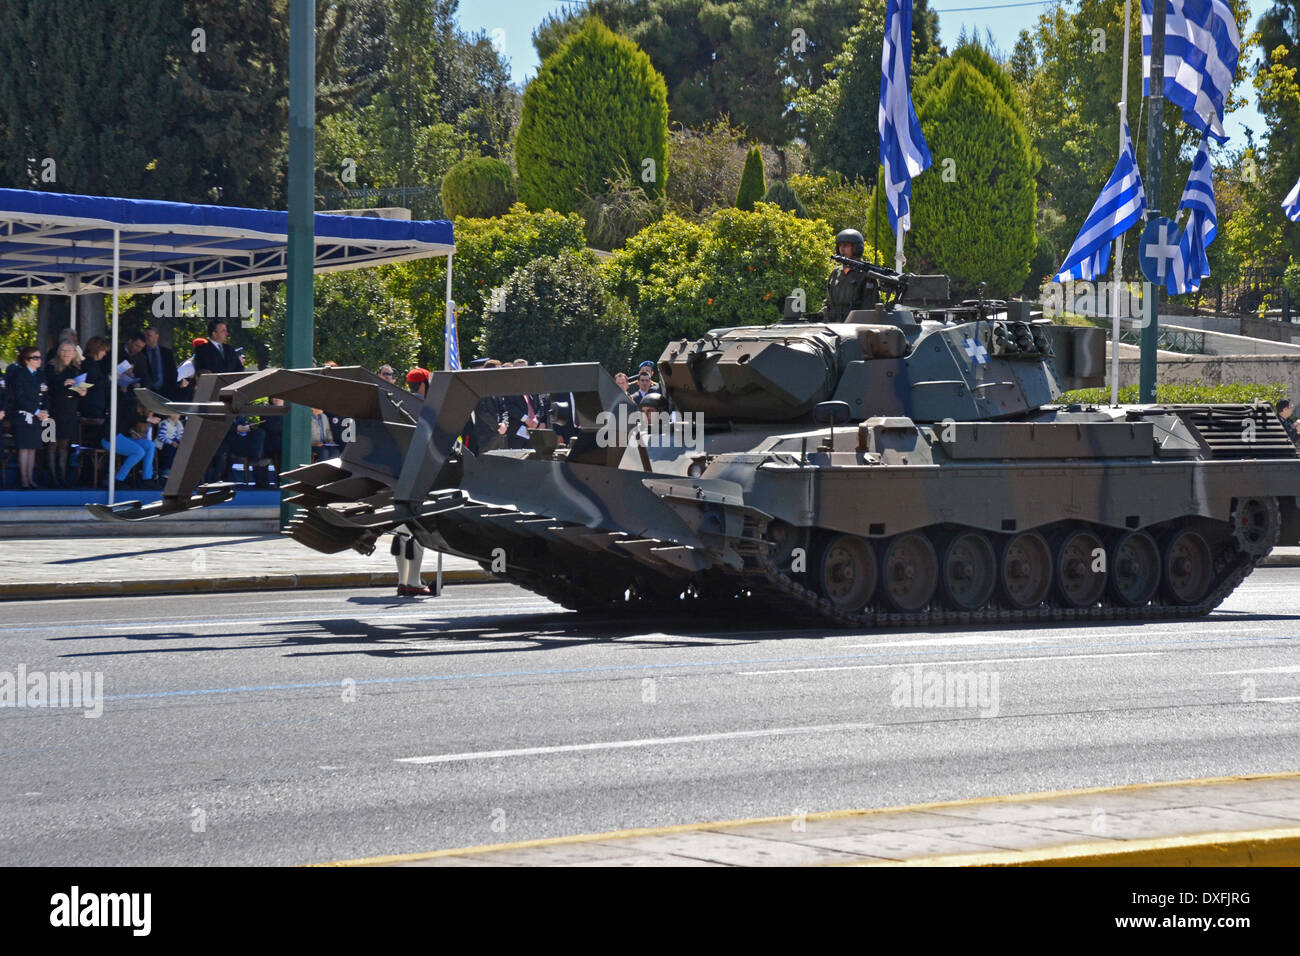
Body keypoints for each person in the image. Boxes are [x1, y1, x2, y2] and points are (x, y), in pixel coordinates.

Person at [6, 347, 50, 489]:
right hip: (23, 416)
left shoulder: (40, 375)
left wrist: (45, 410)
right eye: (35, 358)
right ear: (26, 360)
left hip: (37, 416)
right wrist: (35, 410)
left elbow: (45, 394)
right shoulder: (19, 374)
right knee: (24, 448)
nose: (39, 360)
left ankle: (30, 477)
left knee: (33, 448)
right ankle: (24, 478)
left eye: (39, 357)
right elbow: (19, 397)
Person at [101, 387, 160, 489]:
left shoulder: (140, 408)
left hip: (122, 436)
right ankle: (118, 479)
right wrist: (148, 418)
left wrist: (132, 431)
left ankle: (147, 479)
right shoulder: (129, 402)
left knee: (150, 445)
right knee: (139, 452)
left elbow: (126, 424)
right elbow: (130, 416)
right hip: (110, 438)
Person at [44, 341, 84, 487]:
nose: (66, 353)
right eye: (63, 350)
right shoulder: (51, 367)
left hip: (70, 411)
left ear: (74, 353)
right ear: (59, 351)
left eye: (70, 351)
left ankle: (62, 477)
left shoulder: (75, 369)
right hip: (53, 411)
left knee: (64, 445)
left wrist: (81, 391)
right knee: (52, 444)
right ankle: (52, 478)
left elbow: (77, 388)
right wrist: (63, 383)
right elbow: (47, 388)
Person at [821, 228, 880, 322]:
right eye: (839, 246)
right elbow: (828, 302)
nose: (841, 249)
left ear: (856, 248)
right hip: (833, 326)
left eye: (845, 245)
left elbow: (868, 308)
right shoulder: (836, 273)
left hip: (855, 327)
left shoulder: (867, 275)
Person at [469, 359, 507, 454]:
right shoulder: (480, 388)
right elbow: (482, 412)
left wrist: (505, 423)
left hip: (500, 433)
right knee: (487, 464)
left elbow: (504, 409)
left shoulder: (498, 388)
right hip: (486, 435)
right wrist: (497, 426)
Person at [132, 327, 180, 399]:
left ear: (156, 336)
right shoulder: (141, 352)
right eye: (145, 335)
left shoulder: (167, 353)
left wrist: (172, 387)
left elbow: (172, 372)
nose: (146, 338)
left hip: (165, 391)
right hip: (148, 391)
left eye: (149, 335)